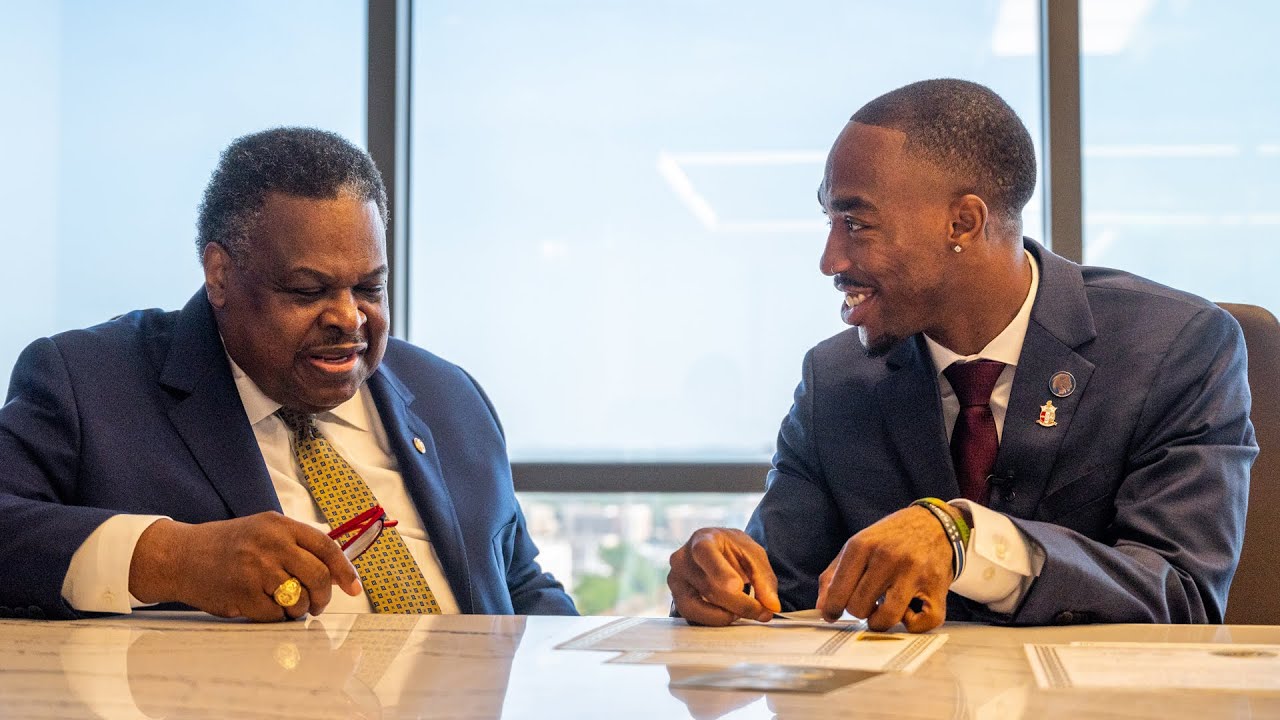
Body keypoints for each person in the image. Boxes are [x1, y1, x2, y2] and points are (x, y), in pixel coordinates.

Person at [667, 79, 1256, 633]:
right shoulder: (835, 380)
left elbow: (1183, 596)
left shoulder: (1176, 347)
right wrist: (714, 583)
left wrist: (968, 541)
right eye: (829, 221)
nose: (831, 259)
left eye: (856, 223)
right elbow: (775, 596)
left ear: (964, 222)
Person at [0, 128, 576, 621]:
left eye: (370, 288)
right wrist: (172, 558)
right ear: (220, 274)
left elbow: (520, 587)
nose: (349, 318)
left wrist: (657, 633)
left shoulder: (449, 395)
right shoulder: (90, 382)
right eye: (308, 290)